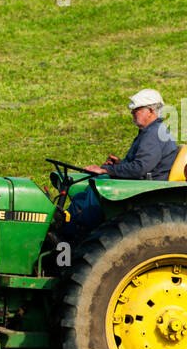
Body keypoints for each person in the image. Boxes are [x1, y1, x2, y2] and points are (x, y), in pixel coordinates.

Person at [64, 89, 179, 239]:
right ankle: (69, 224)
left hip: (146, 189)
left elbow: (140, 168)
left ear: (150, 110)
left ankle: (73, 233)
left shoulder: (153, 134)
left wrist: (106, 170)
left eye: (136, 110)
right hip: (144, 182)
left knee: (97, 191)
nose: (132, 113)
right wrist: (120, 164)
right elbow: (143, 165)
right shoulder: (152, 131)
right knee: (86, 192)